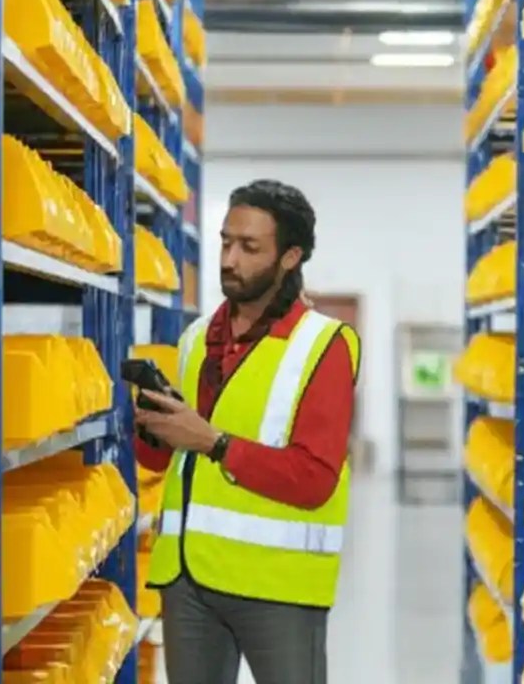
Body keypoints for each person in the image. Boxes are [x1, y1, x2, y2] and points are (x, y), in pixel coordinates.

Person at [133, 179, 359, 684]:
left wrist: (213, 443)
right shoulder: (195, 340)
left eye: (250, 247)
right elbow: (160, 463)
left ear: (289, 257)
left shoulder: (325, 346)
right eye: (225, 241)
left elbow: (315, 478)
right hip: (187, 579)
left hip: (276, 588)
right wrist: (153, 426)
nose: (230, 259)